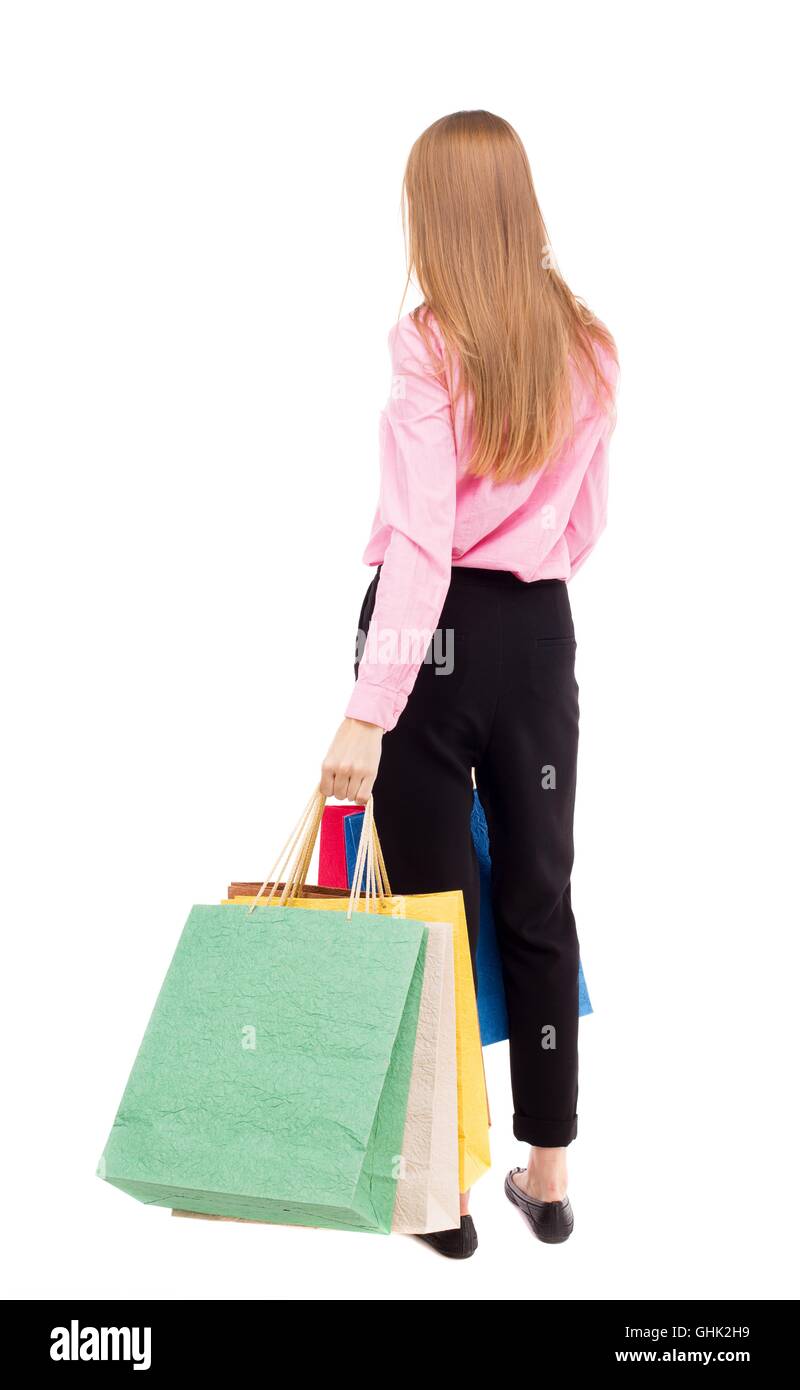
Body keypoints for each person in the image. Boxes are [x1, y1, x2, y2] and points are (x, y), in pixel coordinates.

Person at [321, 109, 619, 1259]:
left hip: (428, 645)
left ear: (436, 217)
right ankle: (546, 1175)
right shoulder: (589, 346)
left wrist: (368, 707)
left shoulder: (427, 344)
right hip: (538, 640)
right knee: (537, 897)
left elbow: (421, 544)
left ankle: (440, 1194)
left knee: (429, 915)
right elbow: (585, 526)